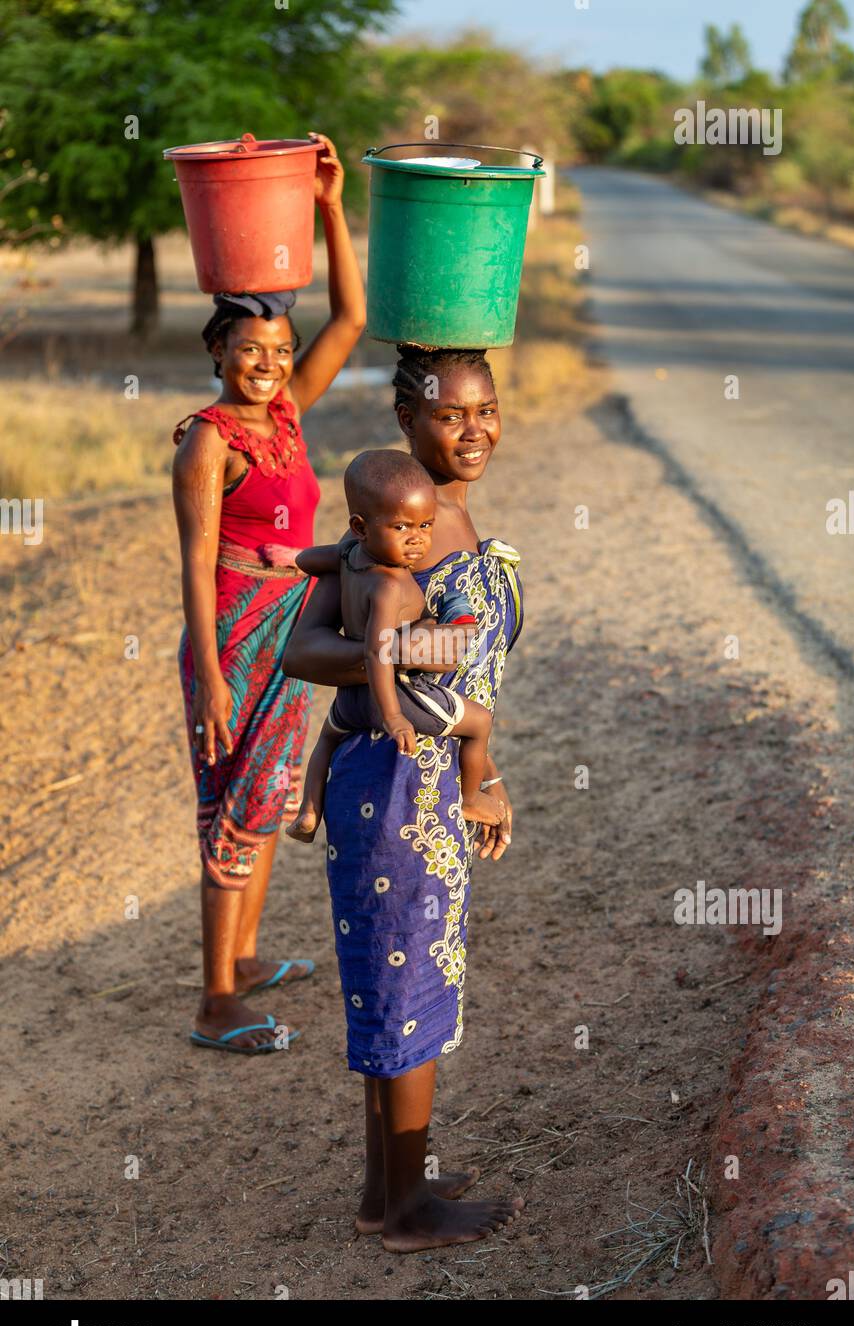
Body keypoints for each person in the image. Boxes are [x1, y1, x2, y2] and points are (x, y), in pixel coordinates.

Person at [282, 347, 525, 1250]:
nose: (475, 431)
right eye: (451, 415)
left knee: (402, 972)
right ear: (408, 423)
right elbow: (300, 653)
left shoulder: (434, 521)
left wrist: (478, 761)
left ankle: (388, 1188)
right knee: (403, 977)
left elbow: (476, 673)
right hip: (393, 778)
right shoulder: (385, 534)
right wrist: (394, 667)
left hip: (415, 771)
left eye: (487, 409)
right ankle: (409, 1214)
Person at [172, 133, 366, 1055]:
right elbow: (195, 561)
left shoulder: (286, 416)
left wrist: (329, 204)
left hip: (291, 632)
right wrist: (209, 671)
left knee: (265, 794)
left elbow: (354, 322)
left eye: (279, 350)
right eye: (251, 349)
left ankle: (244, 960)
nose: (269, 363)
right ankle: (216, 999)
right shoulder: (208, 442)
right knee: (234, 805)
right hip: (235, 641)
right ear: (219, 353)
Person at [284, 448, 507, 841]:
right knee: (479, 722)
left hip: (349, 703)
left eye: (425, 526)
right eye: (402, 528)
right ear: (360, 525)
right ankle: (470, 797)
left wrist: (301, 560)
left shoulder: (350, 555)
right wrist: (393, 716)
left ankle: (308, 811)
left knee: (326, 739)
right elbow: (378, 650)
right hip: (396, 696)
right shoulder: (388, 585)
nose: (417, 540)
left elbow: (307, 559)